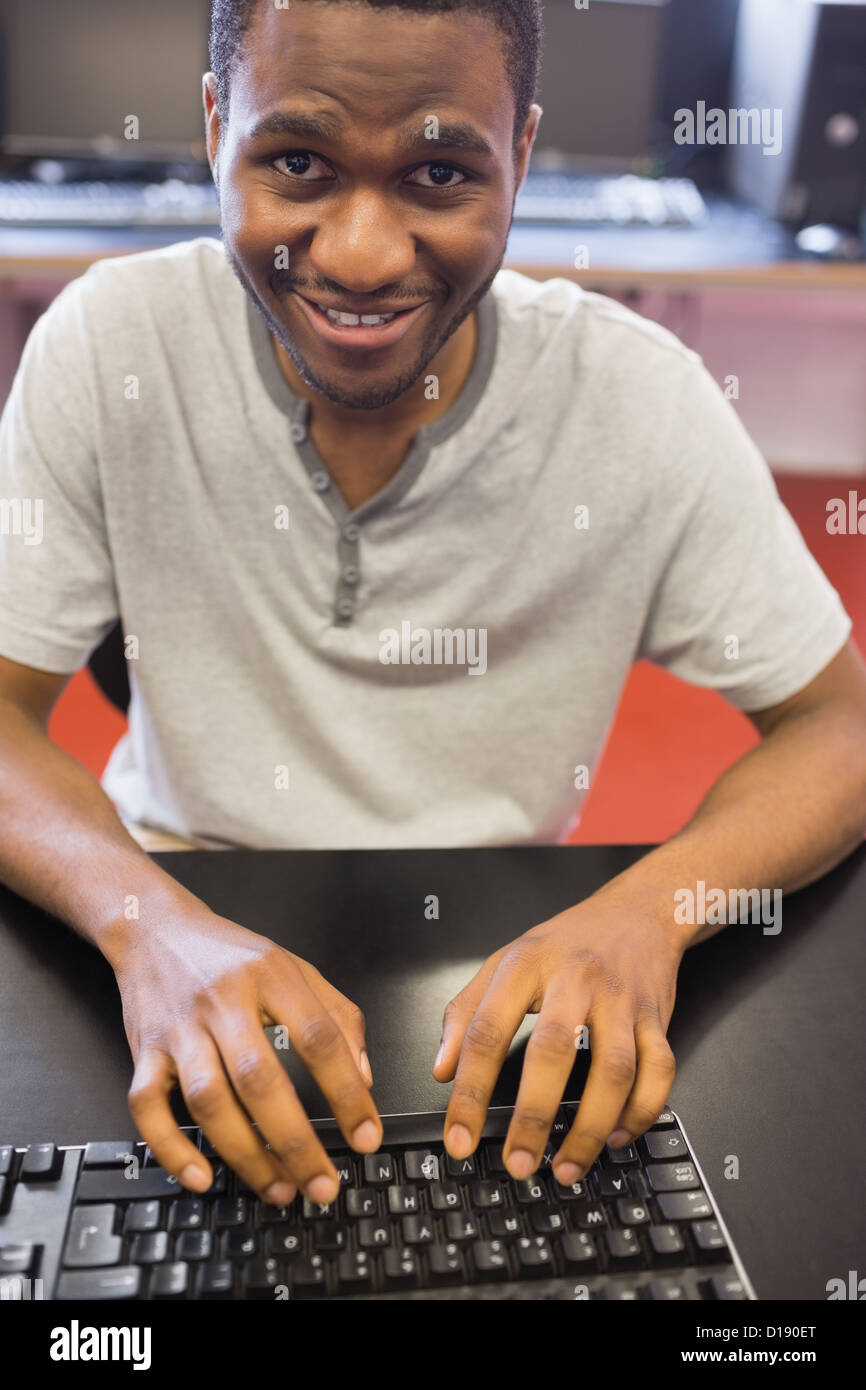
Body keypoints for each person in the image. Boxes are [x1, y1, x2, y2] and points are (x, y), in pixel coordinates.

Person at [1, 0, 865, 1215]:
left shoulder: (637, 402)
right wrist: (145, 921)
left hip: (512, 971)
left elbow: (837, 725)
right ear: (212, 130)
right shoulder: (107, 346)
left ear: (518, 154)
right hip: (168, 929)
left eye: (439, 172)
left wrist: (649, 912)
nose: (359, 255)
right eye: (295, 161)